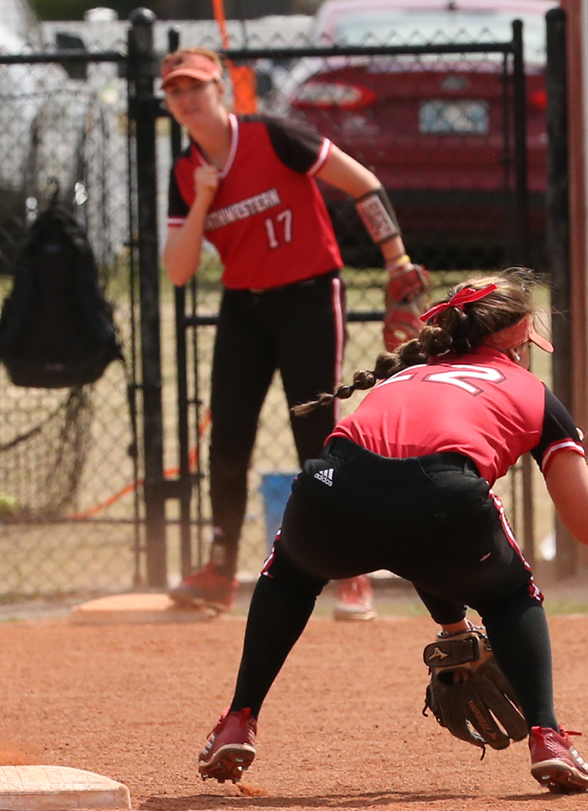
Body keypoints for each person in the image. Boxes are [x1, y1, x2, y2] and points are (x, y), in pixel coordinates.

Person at [194, 273, 588, 795]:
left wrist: (454, 629)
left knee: (290, 576)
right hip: (441, 503)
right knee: (509, 591)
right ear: (517, 343)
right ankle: (549, 736)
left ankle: (238, 718)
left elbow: (395, 514)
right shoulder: (531, 392)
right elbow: (587, 526)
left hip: (331, 490)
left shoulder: (405, 375)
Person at [159, 46, 431, 620]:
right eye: (176, 91)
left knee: (316, 434)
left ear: (221, 90)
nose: (187, 99)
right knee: (227, 440)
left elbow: (364, 184)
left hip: (308, 296)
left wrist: (396, 259)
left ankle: (351, 570)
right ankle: (219, 570)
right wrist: (205, 196)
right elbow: (178, 270)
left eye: (197, 86)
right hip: (244, 307)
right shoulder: (187, 173)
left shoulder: (275, 137)